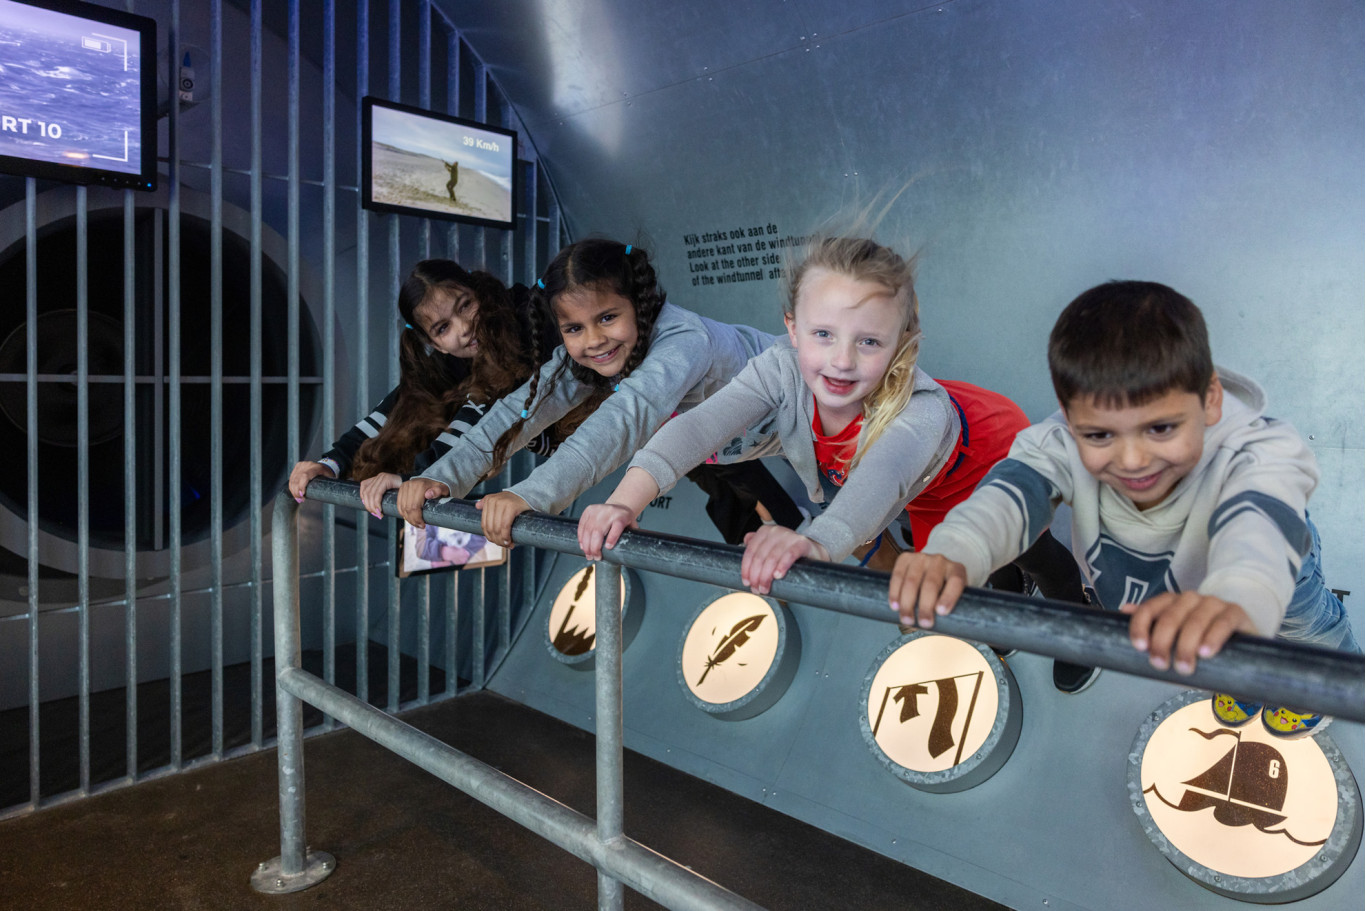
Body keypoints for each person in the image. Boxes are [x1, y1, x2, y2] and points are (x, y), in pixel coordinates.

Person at [577, 236, 1087, 689]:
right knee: (966, 559)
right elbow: (697, 426)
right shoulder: (780, 366)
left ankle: (1075, 615)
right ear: (792, 328)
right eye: (824, 335)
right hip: (922, 488)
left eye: (868, 342)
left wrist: (816, 542)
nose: (842, 362)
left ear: (902, 342)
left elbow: (879, 482)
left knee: (1020, 541)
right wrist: (624, 501)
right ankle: (1006, 583)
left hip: (982, 457)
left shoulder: (922, 412)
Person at [888, 280, 1360, 736]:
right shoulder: (1063, 438)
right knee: (1221, 655)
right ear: (1071, 418)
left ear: (1210, 400)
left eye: (1160, 429)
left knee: (1303, 629)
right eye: (1100, 436)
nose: (1132, 461)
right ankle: (1241, 672)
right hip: (1156, 585)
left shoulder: (1258, 452)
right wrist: (957, 549)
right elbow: (1011, 492)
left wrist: (1238, 601)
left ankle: (1308, 689)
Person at [396, 238, 804, 545]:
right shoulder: (587, 357)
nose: (593, 340)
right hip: (787, 437)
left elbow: (623, 419)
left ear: (638, 304)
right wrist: (438, 478)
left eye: (607, 317)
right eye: (574, 328)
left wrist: (529, 495)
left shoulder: (683, 341)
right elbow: (512, 414)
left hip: (816, 396)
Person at [287, 258, 558, 513]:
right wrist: (329, 464)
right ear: (434, 344)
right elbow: (393, 411)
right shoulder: (457, 361)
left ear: (479, 292)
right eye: (443, 328)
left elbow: (478, 423)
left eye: (465, 305)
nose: (464, 328)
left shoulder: (528, 317)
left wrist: (422, 479)